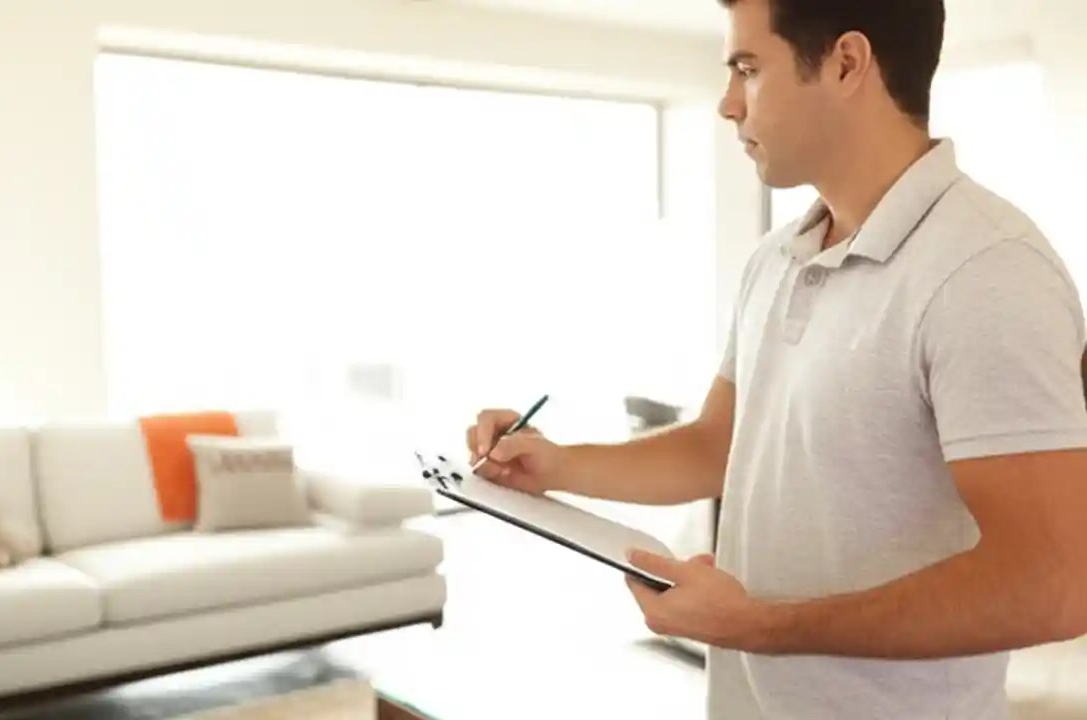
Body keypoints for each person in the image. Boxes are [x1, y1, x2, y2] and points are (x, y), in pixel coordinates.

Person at [465, 0, 1087, 718]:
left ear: (847, 63)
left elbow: (1058, 583)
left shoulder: (987, 269)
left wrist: (761, 627)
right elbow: (719, 444)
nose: (728, 105)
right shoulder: (777, 258)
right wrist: (559, 463)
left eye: (748, 69)